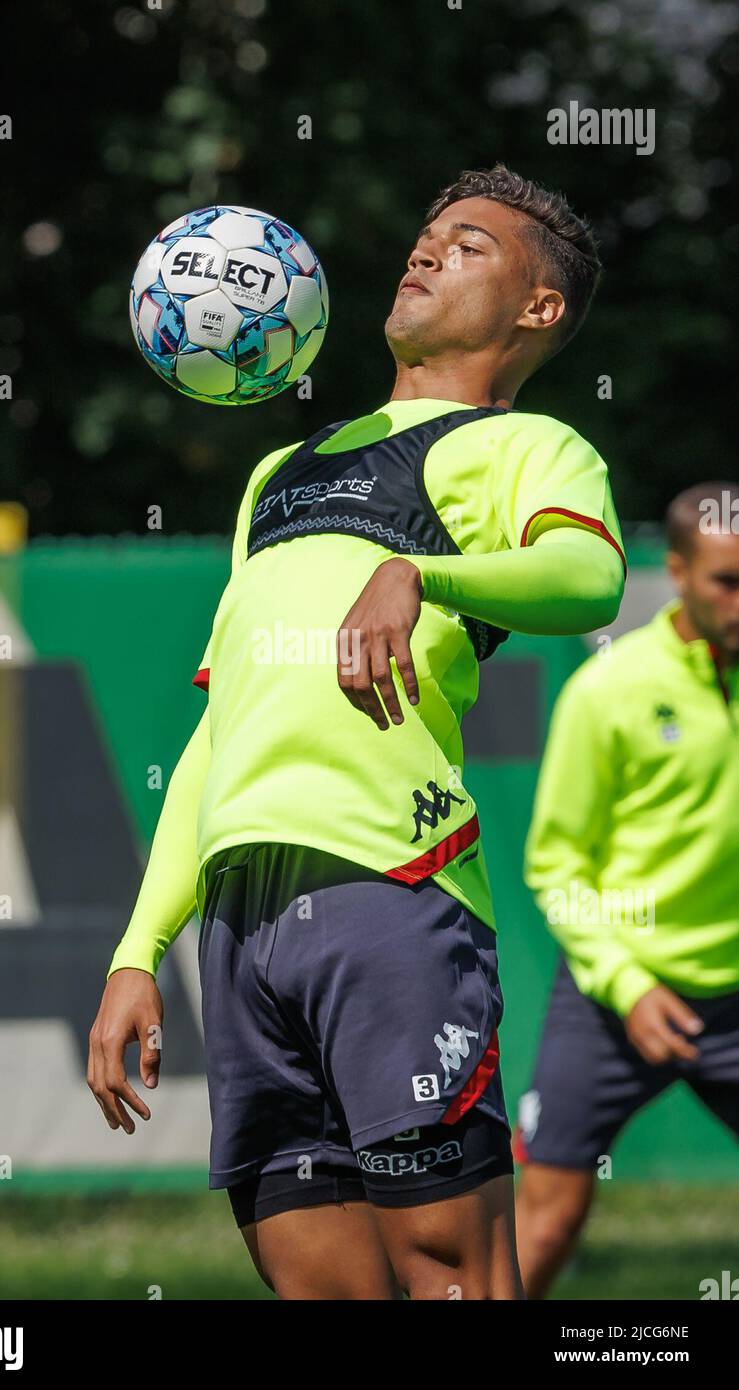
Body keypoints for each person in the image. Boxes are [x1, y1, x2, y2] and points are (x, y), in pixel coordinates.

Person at [87, 164, 625, 1300]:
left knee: (452, 1275)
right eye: (428, 236)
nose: (426, 252)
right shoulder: (279, 474)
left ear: (541, 309)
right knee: (317, 1288)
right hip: (241, 926)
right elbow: (215, 733)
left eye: (470, 244)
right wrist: (141, 948)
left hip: (392, 889)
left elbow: (588, 577)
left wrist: (417, 576)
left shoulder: (526, 449)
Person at [514, 482, 739, 1299]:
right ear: (677, 572)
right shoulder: (607, 691)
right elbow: (556, 868)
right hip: (616, 992)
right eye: (726, 581)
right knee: (544, 1223)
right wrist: (629, 984)